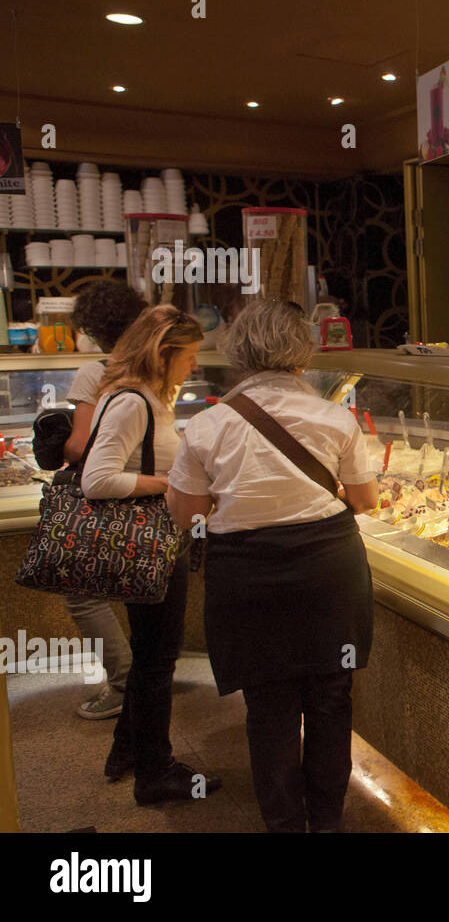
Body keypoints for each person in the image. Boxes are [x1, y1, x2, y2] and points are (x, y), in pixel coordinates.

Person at [167, 300, 378, 832]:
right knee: (331, 701)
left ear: (238, 353)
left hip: (246, 573)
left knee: (268, 708)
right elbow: (366, 499)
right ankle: (326, 824)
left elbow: (185, 512)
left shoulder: (207, 423)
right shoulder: (334, 416)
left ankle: (285, 827)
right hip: (328, 567)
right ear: (301, 354)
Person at [80, 304, 221, 804]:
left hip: (157, 540)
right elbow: (97, 480)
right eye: (188, 357)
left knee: (150, 656)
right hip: (148, 543)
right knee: (159, 660)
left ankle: (128, 751)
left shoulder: (143, 397)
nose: (193, 367)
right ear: (162, 354)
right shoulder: (132, 402)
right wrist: (169, 484)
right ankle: (155, 772)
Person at [62, 281, 147, 719]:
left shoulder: (96, 372)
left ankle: (124, 681)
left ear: (93, 329)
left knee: (80, 592)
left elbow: (80, 448)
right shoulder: (156, 366)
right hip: (152, 493)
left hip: (109, 495)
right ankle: (150, 677)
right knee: (146, 593)